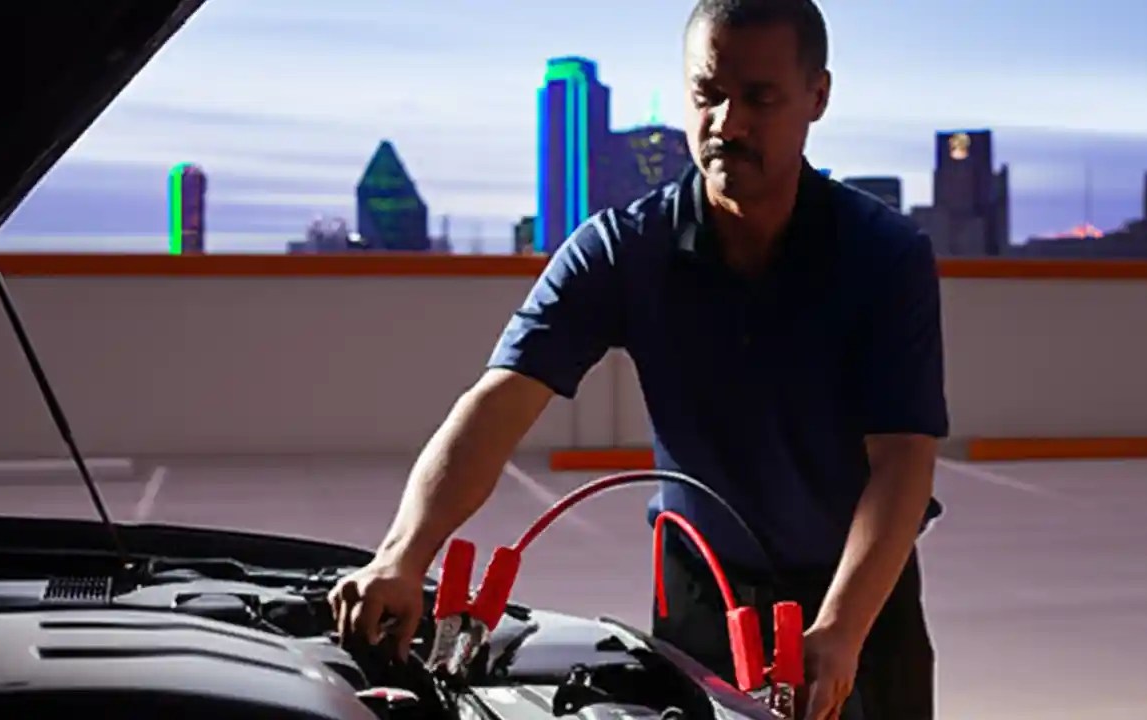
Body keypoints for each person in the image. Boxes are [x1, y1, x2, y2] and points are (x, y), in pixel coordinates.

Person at [330, 0, 948, 718]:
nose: (727, 123)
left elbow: (903, 459)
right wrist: (403, 555)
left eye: (760, 98)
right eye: (708, 94)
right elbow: (500, 403)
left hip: (860, 604)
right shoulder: (623, 249)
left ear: (818, 96)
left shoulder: (884, 257)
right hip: (700, 598)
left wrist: (841, 628)